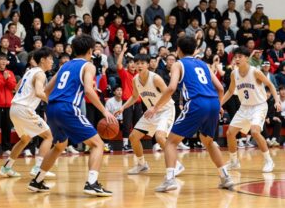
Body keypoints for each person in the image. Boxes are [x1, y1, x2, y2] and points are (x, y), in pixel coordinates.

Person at [27, 35, 117, 196]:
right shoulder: (89, 66)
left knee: (60, 146)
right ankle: (92, 183)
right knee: (97, 144)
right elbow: (89, 90)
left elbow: (46, 90)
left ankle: (37, 180)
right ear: (90, 51)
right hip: (67, 108)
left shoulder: (65, 65)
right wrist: (105, 111)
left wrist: (55, 106)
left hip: (52, 107)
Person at [144, 36, 233, 192]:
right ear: (194, 50)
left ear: (178, 50)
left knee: (171, 142)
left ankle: (170, 179)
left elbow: (171, 88)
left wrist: (155, 107)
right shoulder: (204, 64)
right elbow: (220, 87)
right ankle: (225, 177)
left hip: (197, 102)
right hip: (213, 102)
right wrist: (219, 106)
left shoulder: (178, 64)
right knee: (208, 141)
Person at [115, 53, 185, 175]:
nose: (139, 66)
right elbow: (135, 96)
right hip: (152, 112)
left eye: (142, 63)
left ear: (148, 65)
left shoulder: (155, 78)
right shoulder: (135, 80)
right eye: (137, 63)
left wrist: (155, 108)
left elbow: (168, 95)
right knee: (133, 137)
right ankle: (142, 165)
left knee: (159, 137)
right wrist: (123, 107)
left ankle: (177, 165)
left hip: (165, 110)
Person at [221, 46, 281, 173]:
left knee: (254, 131)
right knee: (230, 133)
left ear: (247, 58)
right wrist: (218, 104)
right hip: (244, 107)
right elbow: (231, 91)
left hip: (259, 106)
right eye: (235, 57)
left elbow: (270, 85)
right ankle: (234, 162)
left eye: (240, 57)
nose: (237, 59)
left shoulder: (255, 72)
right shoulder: (234, 73)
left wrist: (277, 100)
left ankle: (269, 161)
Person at [0, 47, 55, 178]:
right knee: (49, 136)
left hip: (14, 108)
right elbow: (39, 93)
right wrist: (53, 102)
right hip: (24, 109)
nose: (52, 61)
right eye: (50, 58)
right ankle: (38, 168)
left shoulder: (30, 71)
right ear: (42, 60)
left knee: (25, 139)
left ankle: (6, 168)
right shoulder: (40, 73)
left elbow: (17, 87)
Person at [0, 53, 17, 158]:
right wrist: (4, 79)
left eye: (5, 59)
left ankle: (6, 148)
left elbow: (13, 86)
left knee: (7, 127)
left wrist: (7, 79)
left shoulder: (10, 73)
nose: (3, 61)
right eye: (1, 59)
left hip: (8, 104)